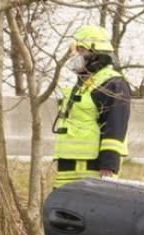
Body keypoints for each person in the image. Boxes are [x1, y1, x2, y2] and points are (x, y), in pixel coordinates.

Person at [52, 25, 131, 187]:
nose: (75, 55)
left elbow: (115, 126)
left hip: (94, 168)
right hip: (68, 164)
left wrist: (109, 164)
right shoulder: (83, 82)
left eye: (80, 50)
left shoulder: (112, 84)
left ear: (95, 54)